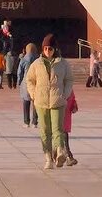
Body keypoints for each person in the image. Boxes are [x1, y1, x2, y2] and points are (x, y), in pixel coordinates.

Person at [26, 34, 73, 171]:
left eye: (50, 49)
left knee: (58, 129)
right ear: (42, 49)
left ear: (55, 49)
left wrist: (65, 94)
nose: (48, 51)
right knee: (45, 131)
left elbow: (69, 79)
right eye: (45, 48)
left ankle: (59, 153)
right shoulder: (36, 64)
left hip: (58, 100)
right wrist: (33, 94)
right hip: (41, 102)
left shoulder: (62, 63)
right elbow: (29, 80)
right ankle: (48, 158)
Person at [17, 43, 38, 128]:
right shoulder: (38, 59)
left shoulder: (23, 60)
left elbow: (19, 73)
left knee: (26, 102)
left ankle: (26, 122)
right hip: (36, 82)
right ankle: (35, 122)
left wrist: (19, 82)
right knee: (35, 103)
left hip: (26, 83)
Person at [61, 89, 79, 167]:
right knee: (61, 136)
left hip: (66, 115)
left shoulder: (68, 86)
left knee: (64, 136)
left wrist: (74, 106)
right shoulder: (57, 83)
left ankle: (68, 157)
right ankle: (68, 157)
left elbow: (72, 98)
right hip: (57, 114)